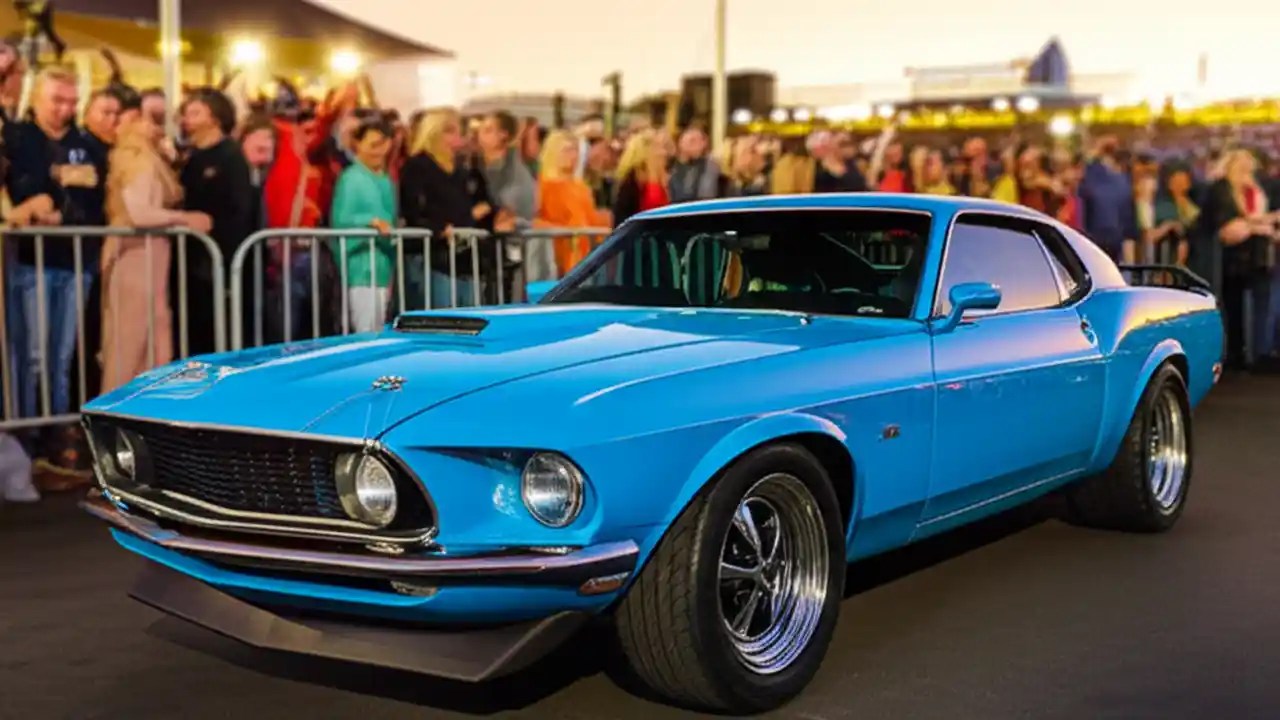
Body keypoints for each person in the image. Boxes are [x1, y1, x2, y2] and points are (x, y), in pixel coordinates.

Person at [5, 67, 106, 488]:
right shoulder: (18, 137)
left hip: (73, 260)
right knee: (30, 357)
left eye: (71, 101)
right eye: (57, 101)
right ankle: (27, 437)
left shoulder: (86, 143)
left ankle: (54, 440)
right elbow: (21, 189)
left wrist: (56, 203)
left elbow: (93, 197)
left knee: (60, 358)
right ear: (36, 99)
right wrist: (51, 188)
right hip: (29, 261)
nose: (65, 110)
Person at [101, 111, 208, 393]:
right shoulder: (138, 160)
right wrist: (184, 218)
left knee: (150, 344)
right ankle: (115, 416)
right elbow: (139, 213)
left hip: (148, 260)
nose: (157, 127)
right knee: (130, 345)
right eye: (149, 120)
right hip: (137, 260)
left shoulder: (148, 158)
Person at [399, 108, 509, 309]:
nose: (458, 136)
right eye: (450, 130)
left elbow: (484, 202)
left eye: (458, 130)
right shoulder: (417, 167)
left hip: (468, 260)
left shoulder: (464, 169)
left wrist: (496, 217)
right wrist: (455, 222)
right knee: (443, 318)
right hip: (434, 260)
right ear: (434, 133)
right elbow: (414, 212)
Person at [177, 87, 254, 357]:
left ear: (215, 116)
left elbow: (239, 210)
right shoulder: (190, 159)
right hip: (190, 261)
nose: (186, 119)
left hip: (218, 261)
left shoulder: (231, 156)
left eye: (195, 112)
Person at [329, 118, 397, 333]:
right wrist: (369, 223)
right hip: (360, 268)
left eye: (383, 144)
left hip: (383, 267)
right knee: (366, 329)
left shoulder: (386, 180)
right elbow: (340, 221)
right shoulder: (350, 178)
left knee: (378, 327)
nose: (379, 151)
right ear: (357, 144)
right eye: (373, 145)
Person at [535, 129, 611, 277]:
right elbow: (533, 220)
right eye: (567, 150)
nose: (573, 156)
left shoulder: (581, 187)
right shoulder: (541, 186)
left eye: (575, 150)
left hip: (582, 256)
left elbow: (591, 222)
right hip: (554, 258)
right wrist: (562, 230)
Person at [612, 129, 671, 224]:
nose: (664, 152)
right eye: (658, 147)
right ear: (645, 151)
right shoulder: (632, 179)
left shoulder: (662, 178)